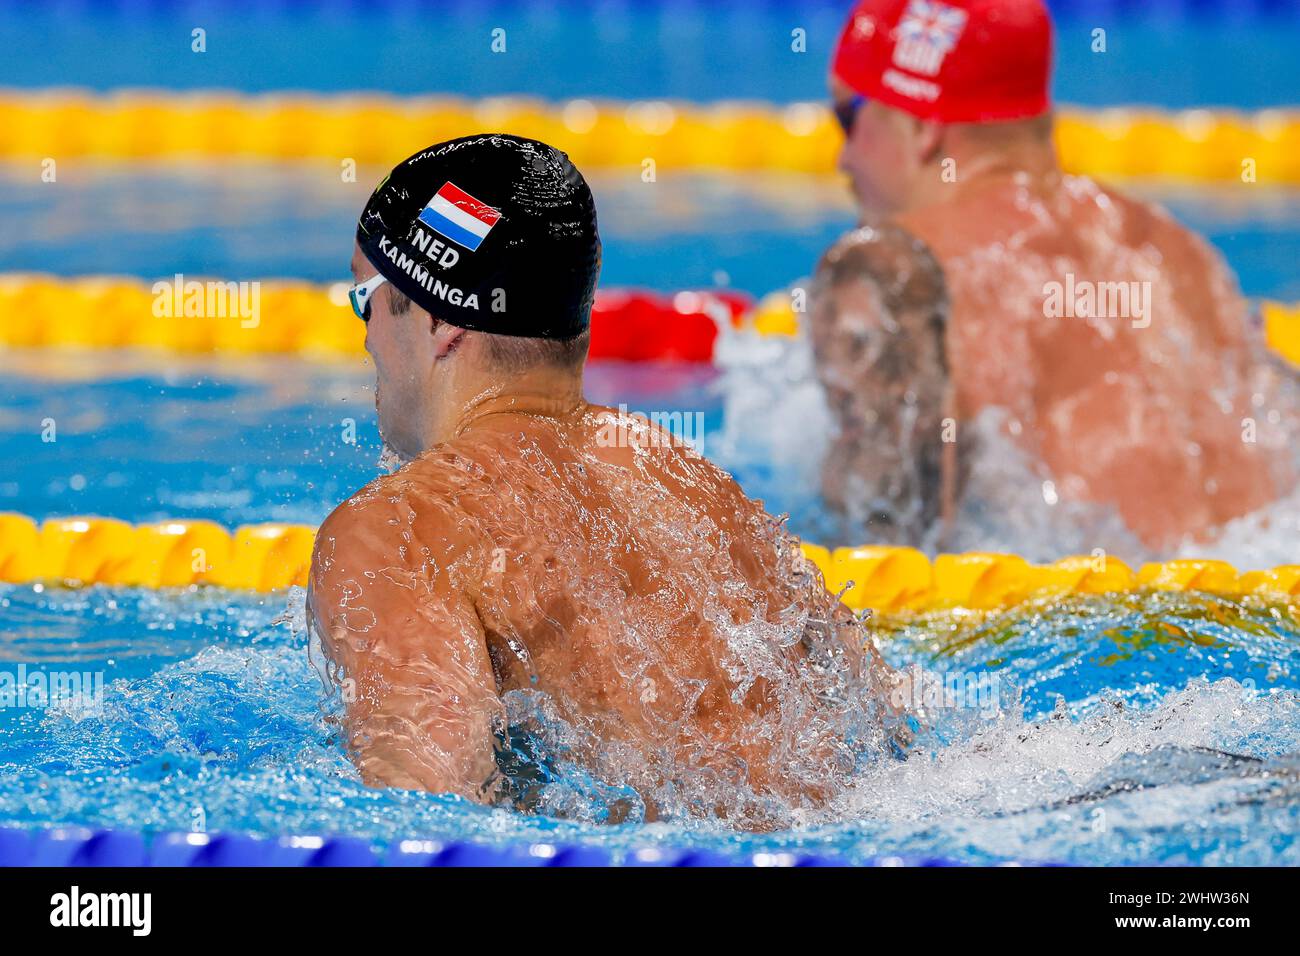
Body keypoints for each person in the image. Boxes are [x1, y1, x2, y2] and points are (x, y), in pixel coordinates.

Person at [308, 134, 904, 827]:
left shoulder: (396, 530)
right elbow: (886, 731)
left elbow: (428, 826)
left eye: (365, 299)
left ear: (439, 317)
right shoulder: (686, 477)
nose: (365, 336)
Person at [813, 0, 1290, 554]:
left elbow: (883, 537)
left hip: (1093, 613)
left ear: (921, 126)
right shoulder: (1179, 249)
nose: (842, 160)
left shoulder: (889, 267)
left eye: (848, 118)